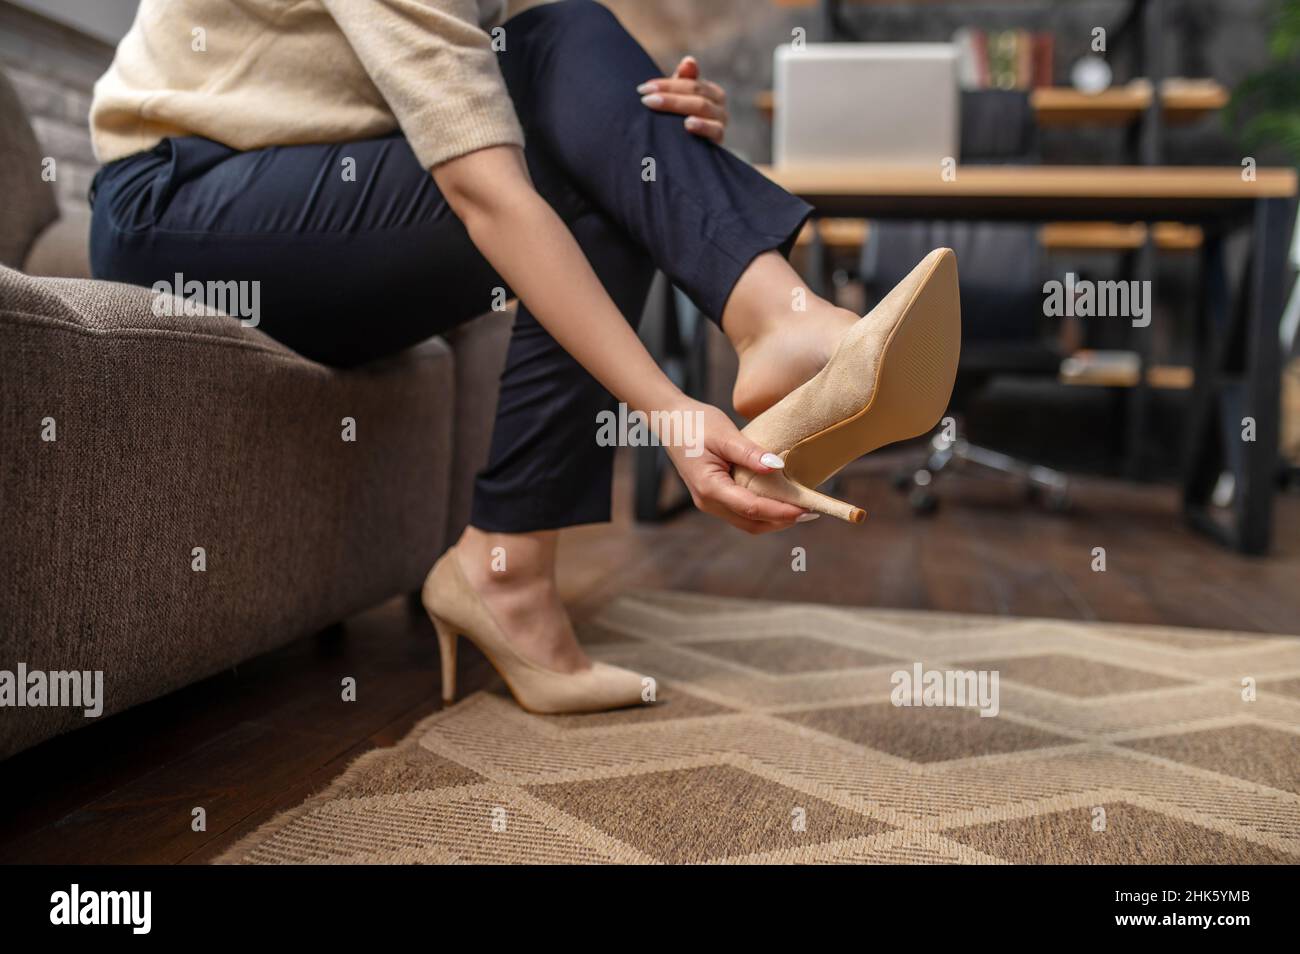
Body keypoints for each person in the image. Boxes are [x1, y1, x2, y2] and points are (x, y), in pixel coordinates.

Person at [88, 0, 957, 714]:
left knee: (581, 65)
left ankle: (515, 562)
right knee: (582, 135)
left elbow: (539, 77)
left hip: (313, 192)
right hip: (184, 215)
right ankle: (775, 325)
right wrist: (666, 407)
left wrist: (650, 137)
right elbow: (487, 192)